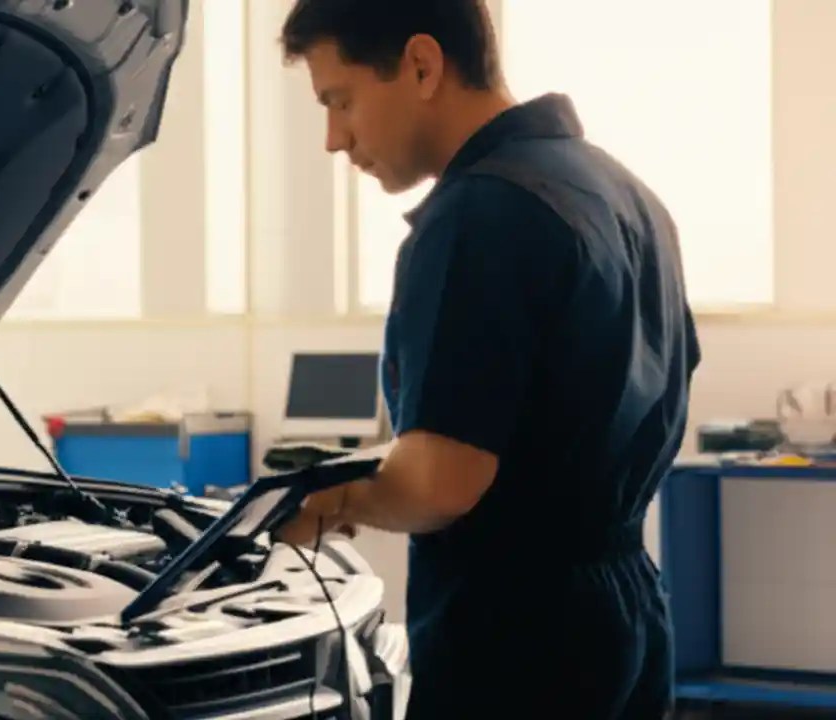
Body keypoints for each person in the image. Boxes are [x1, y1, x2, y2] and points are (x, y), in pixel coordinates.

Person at [272, 1, 701, 718]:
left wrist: (329, 499)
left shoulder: (478, 215)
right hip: (628, 614)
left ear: (421, 66)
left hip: (519, 635)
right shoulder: (625, 194)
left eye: (339, 101)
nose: (333, 139)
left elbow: (441, 483)